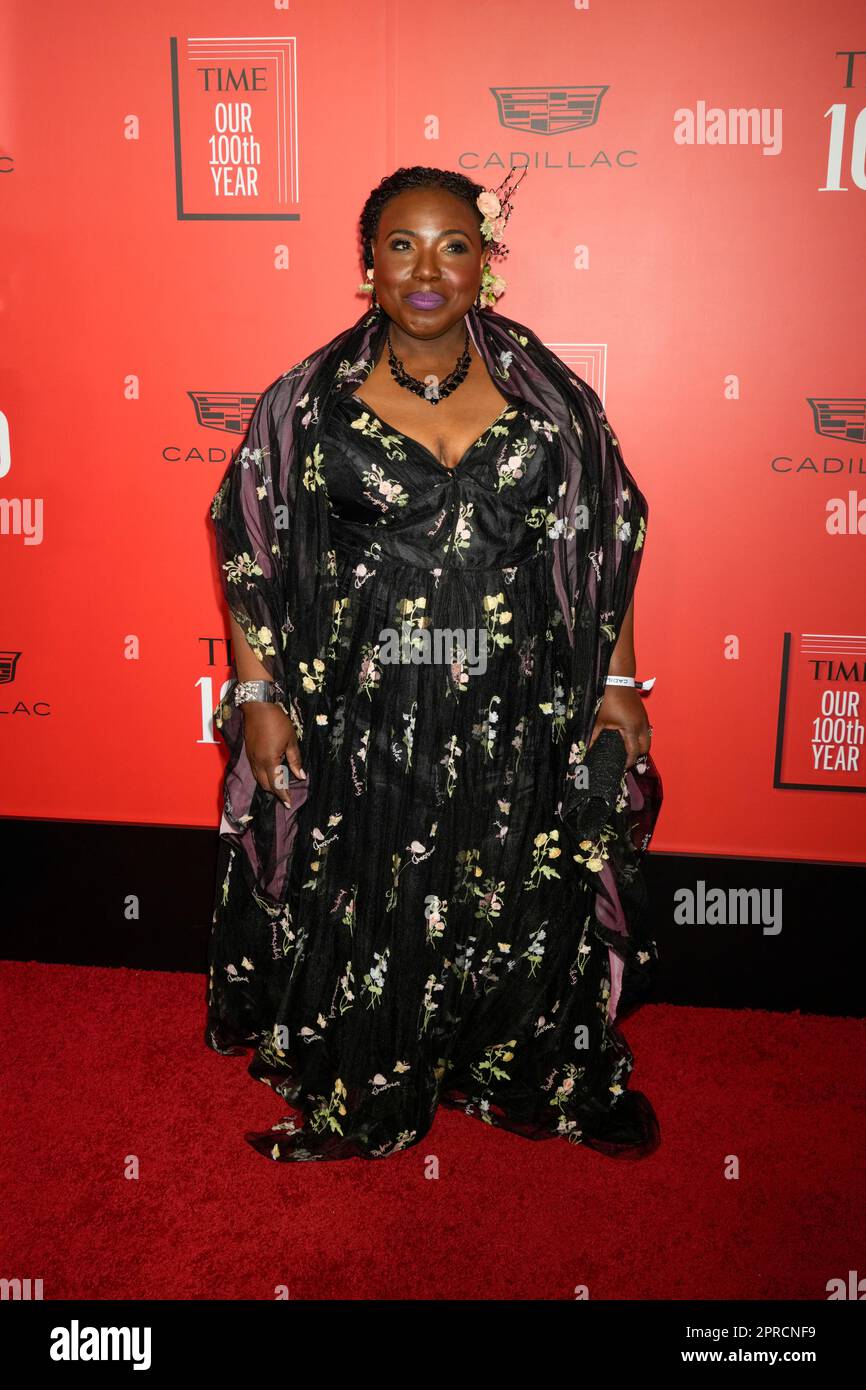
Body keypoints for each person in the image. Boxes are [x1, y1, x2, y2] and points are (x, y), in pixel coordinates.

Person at [204, 164, 663, 1163]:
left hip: (522, 694)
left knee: (521, 881)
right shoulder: (306, 402)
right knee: (374, 889)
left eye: (452, 244)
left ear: (483, 265)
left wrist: (619, 682)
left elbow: (603, 542)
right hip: (370, 702)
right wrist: (256, 693)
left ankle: (515, 1058)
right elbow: (248, 544)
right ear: (365, 262)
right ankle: (374, 1070)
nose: (425, 268)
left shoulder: (550, 395)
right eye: (399, 244)